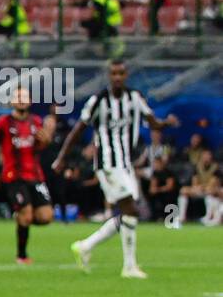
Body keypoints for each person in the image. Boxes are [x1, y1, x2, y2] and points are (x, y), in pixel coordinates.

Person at [52, 60, 178, 277]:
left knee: (130, 213)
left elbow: (152, 122)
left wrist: (166, 123)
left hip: (125, 163)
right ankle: (129, 266)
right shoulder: (98, 101)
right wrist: (61, 158)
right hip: (108, 163)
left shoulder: (135, 98)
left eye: (121, 73)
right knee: (130, 210)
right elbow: (77, 131)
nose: (117, 77)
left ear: (126, 75)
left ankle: (85, 247)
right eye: (113, 74)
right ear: (108, 76)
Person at [0, 85, 55, 263]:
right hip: (14, 177)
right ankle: (21, 255)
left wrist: (47, 139)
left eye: (24, 97)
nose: (21, 100)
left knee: (46, 217)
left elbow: (42, 146)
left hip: (35, 176)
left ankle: (21, 217)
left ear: (30, 101)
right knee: (27, 214)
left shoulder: (36, 122)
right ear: (12, 101)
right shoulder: (4, 122)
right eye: (18, 97)